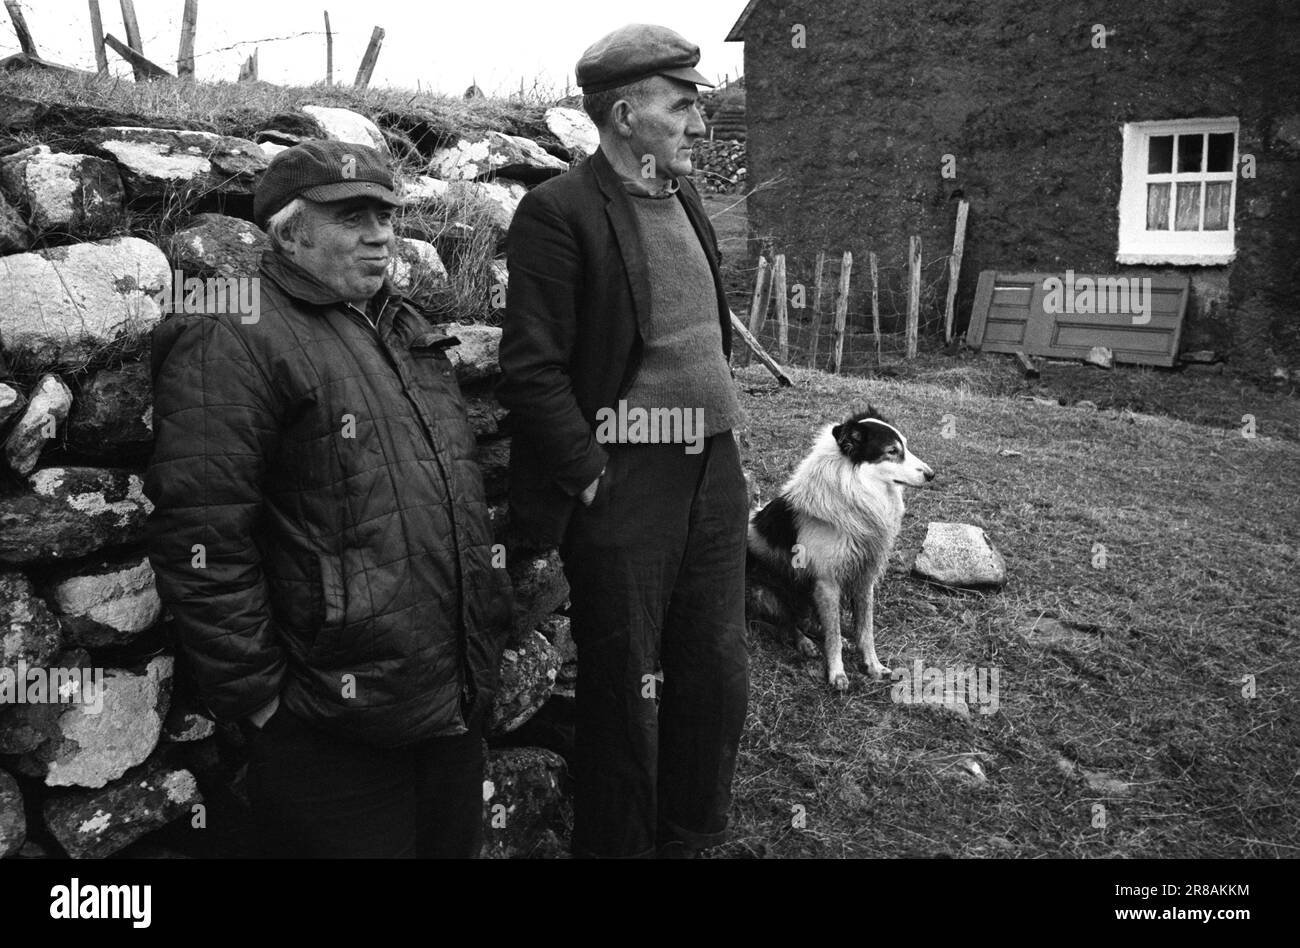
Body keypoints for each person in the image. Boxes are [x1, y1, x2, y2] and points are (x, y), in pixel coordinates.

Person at [145, 140, 511, 858]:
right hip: (329, 724)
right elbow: (201, 533)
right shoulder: (235, 333)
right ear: (289, 230)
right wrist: (262, 701)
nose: (380, 233)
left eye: (385, 214)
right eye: (352, 217)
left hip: (448, 697)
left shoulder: (401, 327)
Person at [496, 23, 750, 858]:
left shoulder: (684, 202)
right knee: (625, 687)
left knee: (713, 669)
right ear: (627, 114)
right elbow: (531, 370)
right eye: (684, 107)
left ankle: (691, 835)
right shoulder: (559, 212)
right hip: (627, 477)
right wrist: (592, 475)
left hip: (714, 471)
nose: (701, 127)